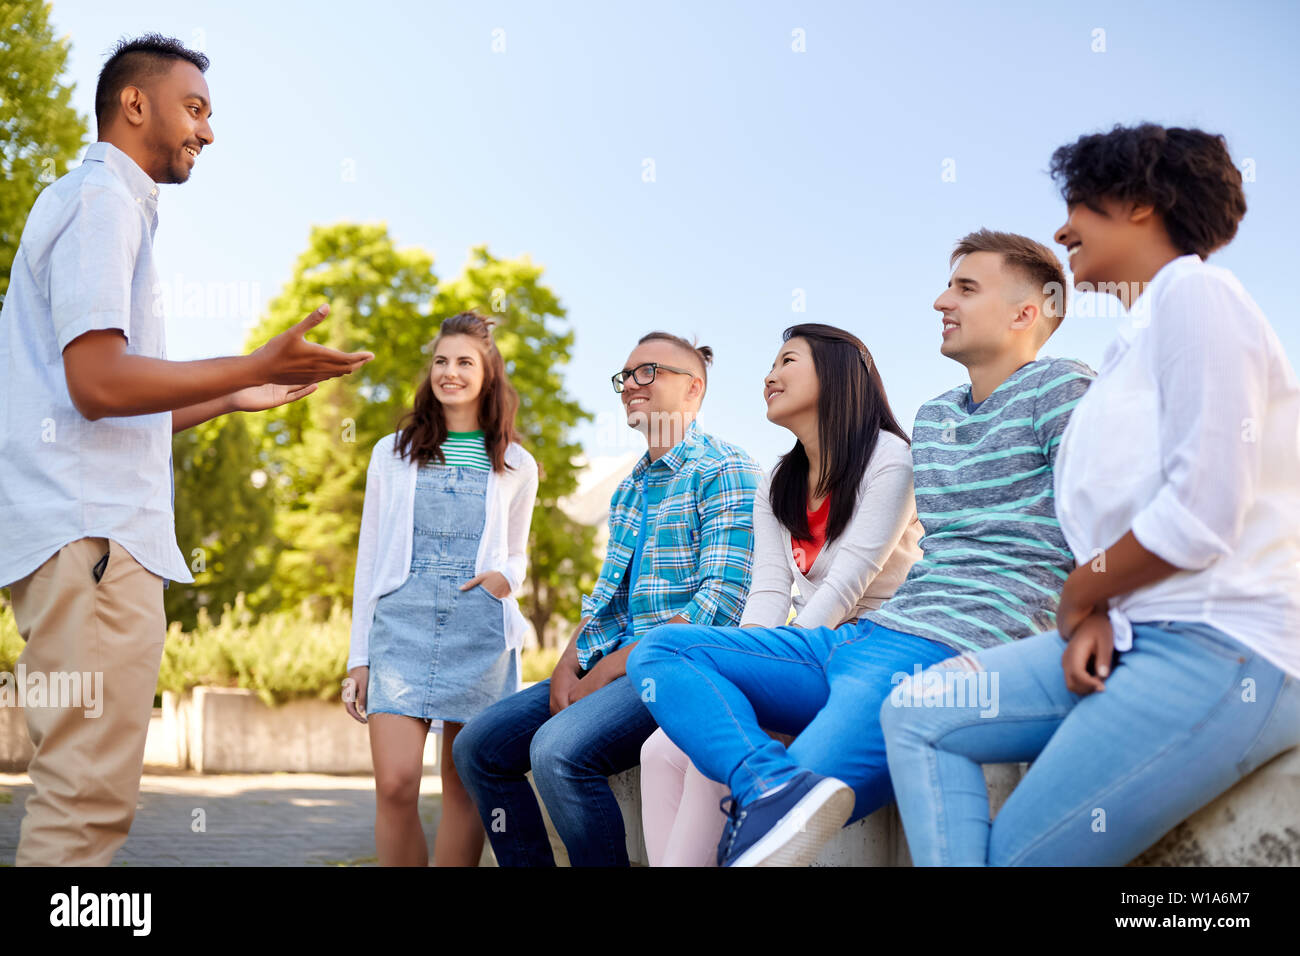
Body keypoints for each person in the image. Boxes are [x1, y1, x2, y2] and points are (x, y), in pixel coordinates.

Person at [881, 123, 1300, 866]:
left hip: (1226, 645)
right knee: (919, 710)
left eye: (1078, 203)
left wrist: (1082, 596)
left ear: (1140, 204)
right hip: (1133, 632)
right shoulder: (1133, 340)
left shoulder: (1199, 296)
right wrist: (1102, 606)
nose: (1061, 227)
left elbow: (1202, 510)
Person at [0, 34, 372, 866]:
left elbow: (91, 412)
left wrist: (231, 396)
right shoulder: (101, 201)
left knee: (85, 794)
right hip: (94, 542)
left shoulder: (101, 207)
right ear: (135, 105)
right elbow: (99, 384)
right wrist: (254, 361)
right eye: (196, 108)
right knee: (85, 804)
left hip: (83, 533)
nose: (208, 132)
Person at [629, 230, 1094, 867]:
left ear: (1024, 312)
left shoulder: (1064, 387)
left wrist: (1093, 619)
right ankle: (765, 777)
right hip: (854, 638)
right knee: (660, 652)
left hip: (943, 651)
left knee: (774, 834)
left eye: (965, 288)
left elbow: (1104, 523)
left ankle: (773, 791)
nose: (940, 301)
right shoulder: (935, 418)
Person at [453, 332, 762, 866]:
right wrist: (568, 663)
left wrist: (614, 667)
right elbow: (607, 603)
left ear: (694, 390)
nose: (630, 387)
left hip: (676, 668)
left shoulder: (726, 469)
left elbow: (722, 604)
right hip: (611, 663)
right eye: (625, 377)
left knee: (557, 752)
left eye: (649, 372)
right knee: (478, 746)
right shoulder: (630, 488)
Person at [640, 323, 923, 866]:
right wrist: (744, 665)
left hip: (870, 654)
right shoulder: (778, 481)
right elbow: (769, 592)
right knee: (659, 750)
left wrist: (766, 667)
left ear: (842, 374)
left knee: (708, 761)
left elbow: (847, 584)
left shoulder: (891, 459)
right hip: (808, 650)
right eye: (771, 365)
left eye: (788, 360)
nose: (770, 375)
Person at [343, 312, 538, 867]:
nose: (450, 373)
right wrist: (360, 657)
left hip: (479, 630)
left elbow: (518, 551)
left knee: (465, 792)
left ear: (488, 374)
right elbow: (370, 556)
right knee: (396, 784)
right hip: (399, 626)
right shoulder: (392, 452)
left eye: (464, 363)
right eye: (441, 362)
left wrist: (507, 579)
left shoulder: (518, 464)